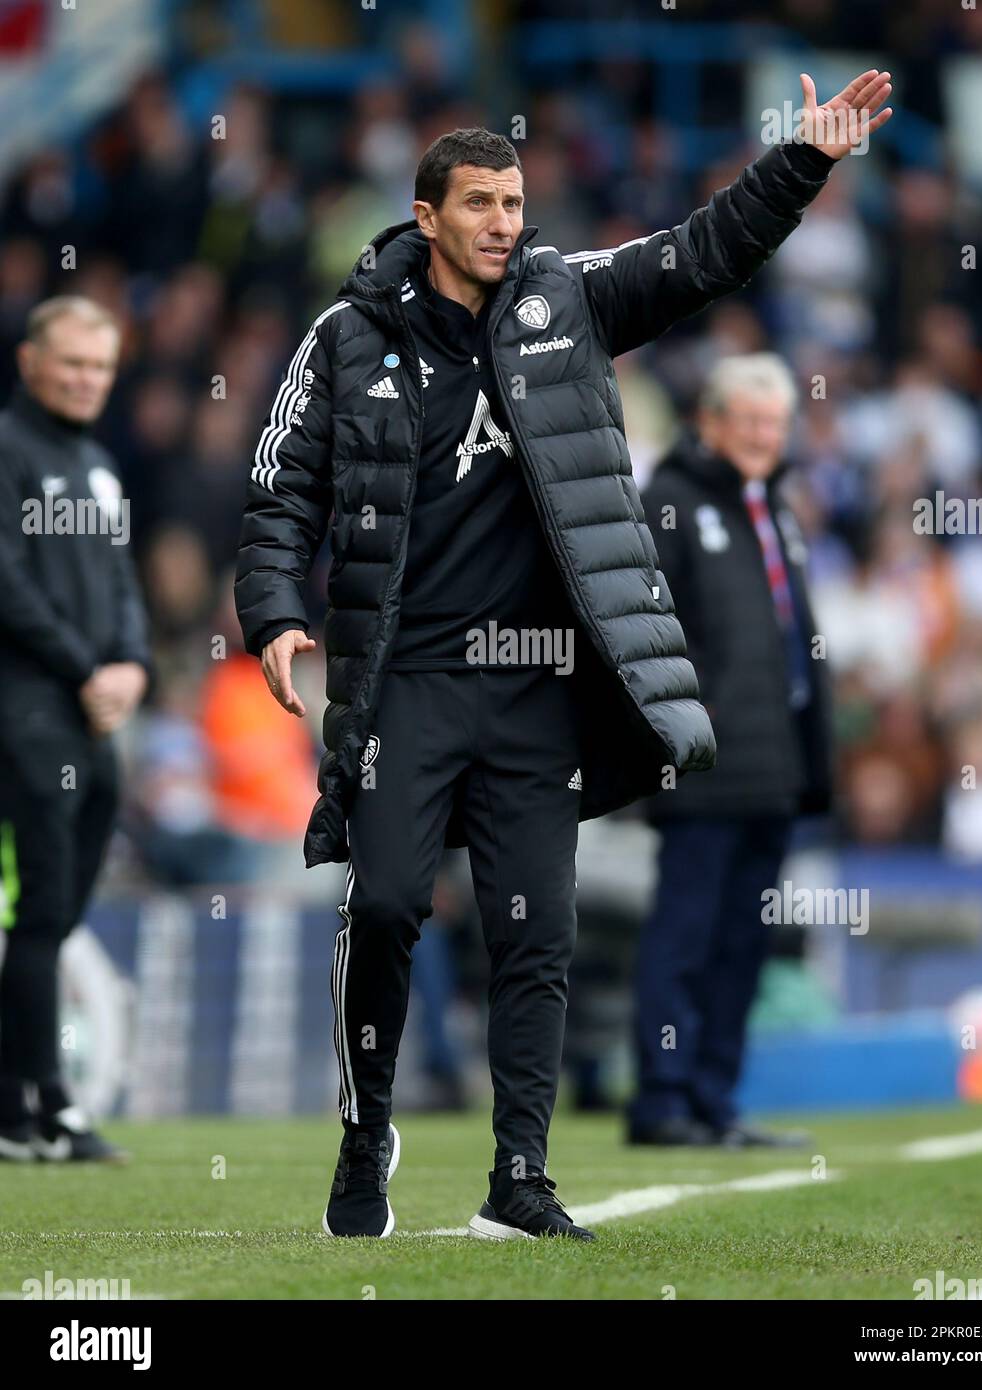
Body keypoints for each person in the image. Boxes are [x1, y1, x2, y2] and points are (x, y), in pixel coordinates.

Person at [234, 72, 892, 1240]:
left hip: (538, 684)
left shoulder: (565, 299)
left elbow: (702, 254)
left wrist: (803, 160)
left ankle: (519, 1174)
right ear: (425, 215)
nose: (504, 221)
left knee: (537, 930)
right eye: (480, 202)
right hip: (409, 681)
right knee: (383, 906)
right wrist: (276, 609)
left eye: (516, 200)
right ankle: (364, 1123)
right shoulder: (345, 339)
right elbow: (281, 489)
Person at [630, 353, 833, 1149]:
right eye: (746, 419)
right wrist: (685, 721)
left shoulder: (773, 508)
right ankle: (662, 1102)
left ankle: (714, 1101)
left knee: (744, 943)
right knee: (683, 935)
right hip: (705, 764)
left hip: (776, 768)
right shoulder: (671, 502)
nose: (760, 435)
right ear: (710, 421)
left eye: (773, 423)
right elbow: (648, 629)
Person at [0, 296, 151, 1162]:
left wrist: (129, 661)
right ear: (30, 362)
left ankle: (12, 1103)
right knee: (40, 907)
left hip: (95, 718)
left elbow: (122, 582)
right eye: (71, 364)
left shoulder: (97, 462)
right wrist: (81, 668)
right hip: (27, 713)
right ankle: (45, 1107)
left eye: (99, 367)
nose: (87, 380)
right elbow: (7, 582)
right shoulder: (8, 452)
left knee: (59, 911)